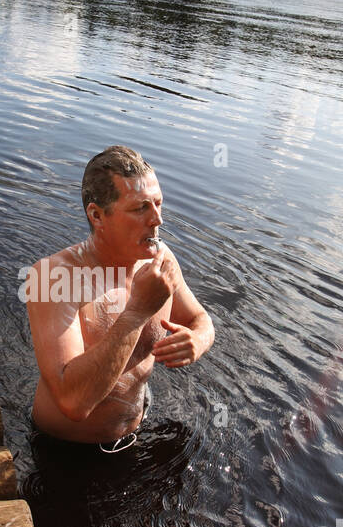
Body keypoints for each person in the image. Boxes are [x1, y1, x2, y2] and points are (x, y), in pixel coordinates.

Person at [24, 146, 214, 453]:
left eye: (158, 204)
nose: (157, 220)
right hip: (63, 453)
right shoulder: (53, 277)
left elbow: (201, 320)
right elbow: (74, 402)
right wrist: (138, 310)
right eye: (140, 209)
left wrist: (198, 340)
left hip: (136, 433)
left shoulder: (160, 262)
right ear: (97, 215)